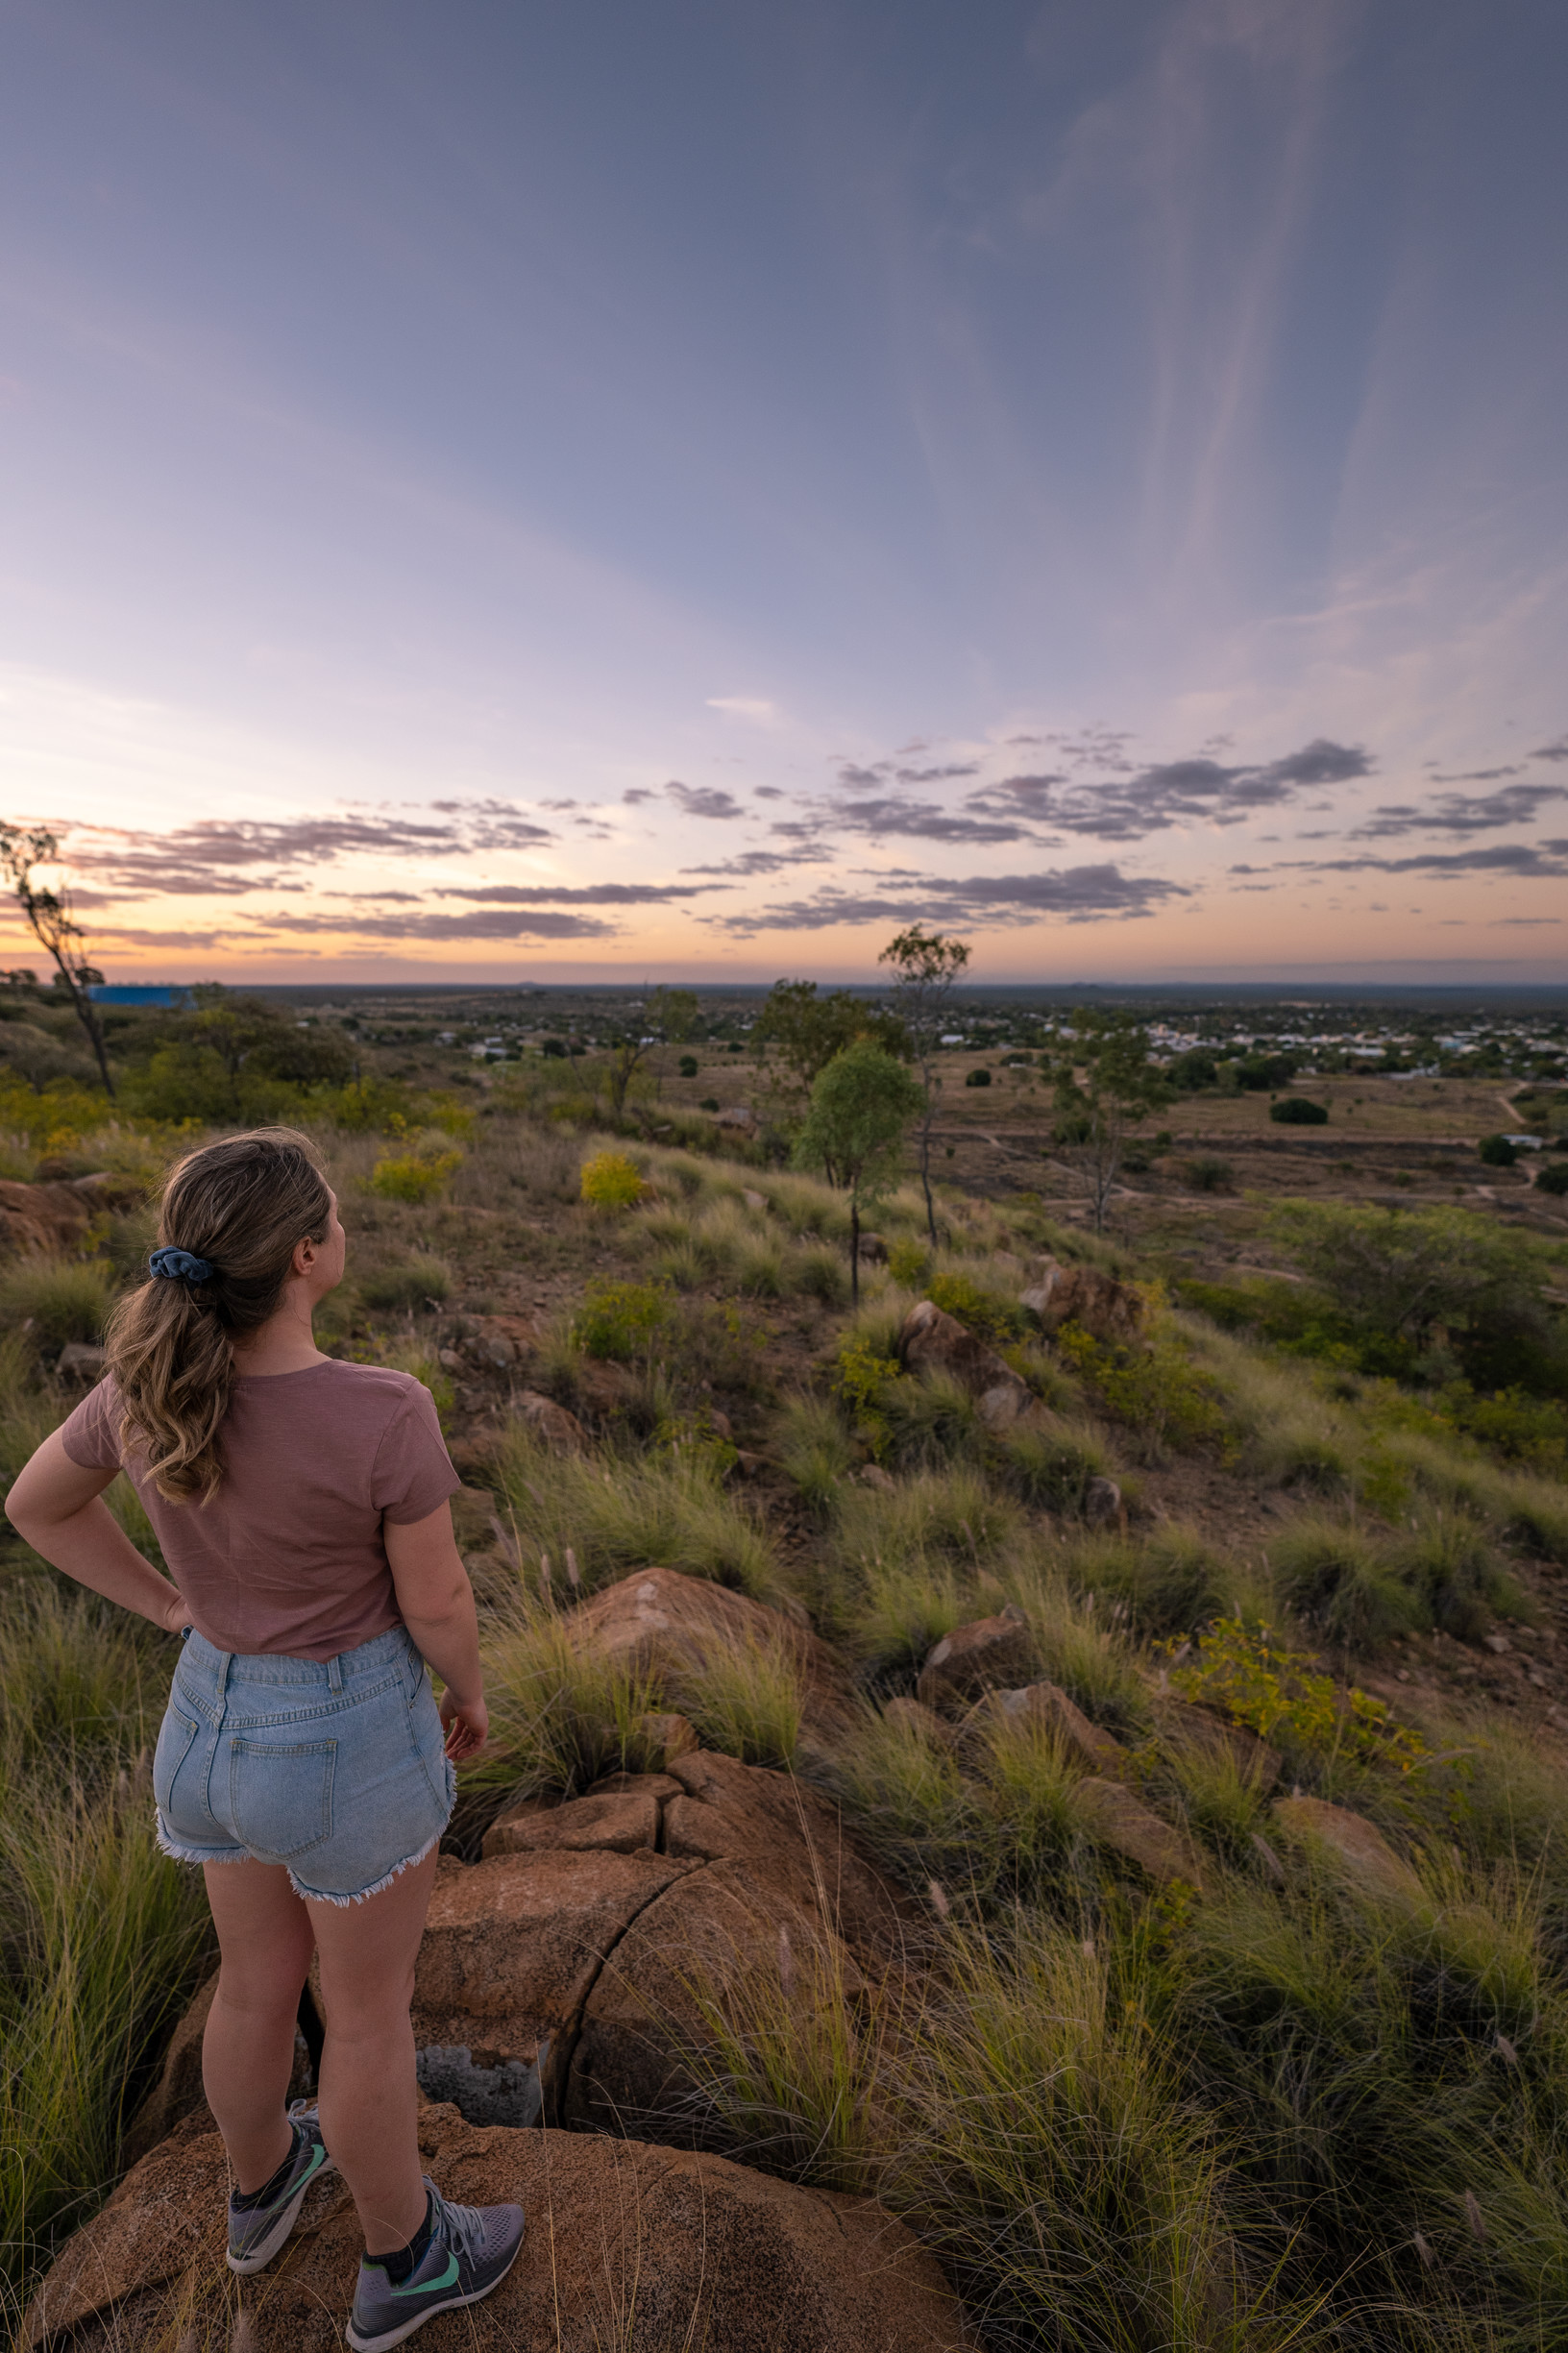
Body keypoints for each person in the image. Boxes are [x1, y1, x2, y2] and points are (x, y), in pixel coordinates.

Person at [6, 1127, 524, 2351]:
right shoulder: (383, 1409)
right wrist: (469, 1692)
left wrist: (169, 1609)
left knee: (252, 1983)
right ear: (303, 1256)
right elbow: (438, 1598)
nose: (344, 1228)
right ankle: (407, 2259)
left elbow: (35, 1504)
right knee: (369, 2016)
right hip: (345, 1739)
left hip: (207, 1726)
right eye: (333, 1215)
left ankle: (261, 2190)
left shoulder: (148, 1384)